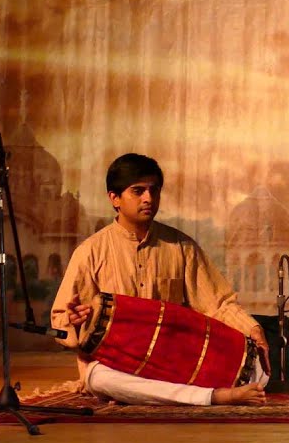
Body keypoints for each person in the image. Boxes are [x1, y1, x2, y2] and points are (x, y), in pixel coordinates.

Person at [50, 153, 269, 406]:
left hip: (171, 359)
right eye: (138, 191)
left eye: (154, 190)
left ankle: (171, 393)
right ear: (114, 198)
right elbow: (60, 320)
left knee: (258, 374)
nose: (149, 198)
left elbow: (218, 303)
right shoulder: (90, 252)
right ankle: (213, 396)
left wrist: (252, 329)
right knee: (97, 378)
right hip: (116, 365)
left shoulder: (181, 246)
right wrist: (75, 323)